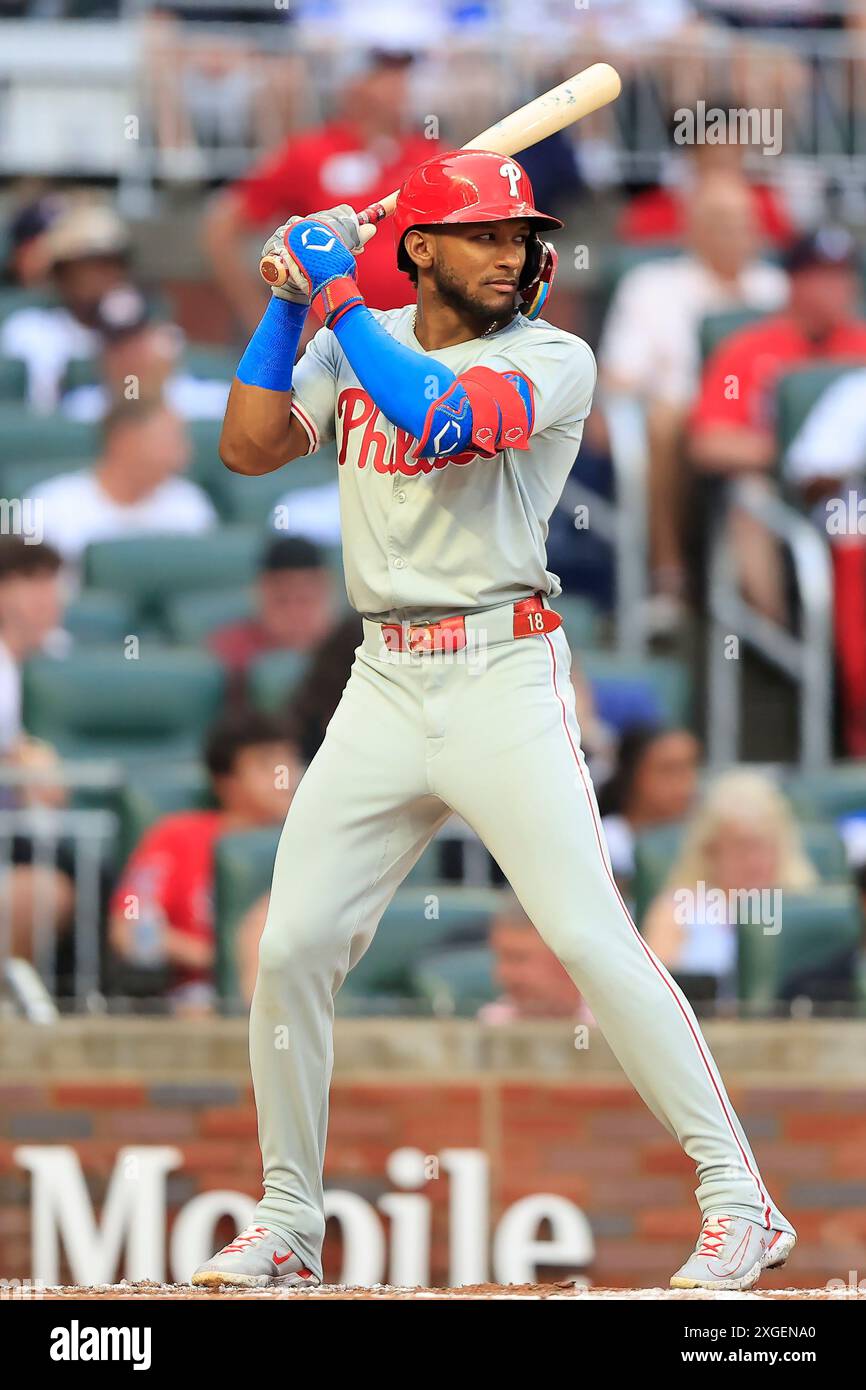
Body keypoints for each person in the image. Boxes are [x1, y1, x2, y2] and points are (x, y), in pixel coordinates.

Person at [191, 148, 796, 1295]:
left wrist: (332, 292)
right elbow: (247, 445)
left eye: (519, 235)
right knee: (292, 946)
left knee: (584, 936)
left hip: (498, 671)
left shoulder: (550, 355)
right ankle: (284, 1222)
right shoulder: (351, 334)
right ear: (417, 247)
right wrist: (285, 307)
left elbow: (433, 422)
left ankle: (739, 1199)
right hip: (379, 677)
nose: (510, 252)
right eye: (482, 233)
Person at [688, 226, 866, 747]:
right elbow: (708, 442)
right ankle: (784, 639)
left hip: (848, 501)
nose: (831, 290)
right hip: (779, 502)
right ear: (792, 282)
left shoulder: (860, 345)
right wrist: (787, 449)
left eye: (840, 278)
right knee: (751, 497)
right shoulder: (749, 350)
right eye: (818, 278)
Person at [600, 173, 787, 618]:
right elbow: (616, 379)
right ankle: (670, 578)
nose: (740, 233)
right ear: (694, 228)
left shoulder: (776, 287)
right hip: (683, 426)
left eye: (747, 221)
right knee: (667, 417)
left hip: (759, 424)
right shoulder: (652, 285)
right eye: (724, 221)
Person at [202, 49, 440, 332]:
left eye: (401, 74)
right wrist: (268, 322)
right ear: (352, 83)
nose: (397, 85)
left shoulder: (431, 155)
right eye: (383, 73)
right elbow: (222, 227)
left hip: (419, 337)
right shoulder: (310, 152)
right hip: (335, 342)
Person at [108, 710, 302, 1014]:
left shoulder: (313, 842)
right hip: (201, 993)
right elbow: (129, 929)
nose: (287, 776)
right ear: (227, 781)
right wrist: (217, 958)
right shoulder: (176, 838)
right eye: (268, 765)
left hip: (300, 990)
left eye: (291, 762)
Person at [641, 769, 817, 999]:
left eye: (764, 846)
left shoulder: (808, 907)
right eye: (742, 846)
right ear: (711, 851)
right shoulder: (677, 910)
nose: (755, 861)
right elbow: (652, 995)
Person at [26, 396, 216, 576]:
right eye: (170, 441)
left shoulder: (190, 504)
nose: (183, 455)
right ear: (125, 440)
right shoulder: (48, 506)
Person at [0, 201, 131, 411]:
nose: (103, 275)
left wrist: (127, 345)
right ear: (62, 273)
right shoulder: (29, 331)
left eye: (112, 263)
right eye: (89, 265)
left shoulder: (139, 335)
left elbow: (133, 400)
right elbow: (41, 411)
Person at [60, 285, 230, 423]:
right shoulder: (81, 411)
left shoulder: (215, 406)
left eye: (138, 343)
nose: (129, 358)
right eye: (118, 346)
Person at [208, 535, 336, 696]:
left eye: (305, 600)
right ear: (259, 596)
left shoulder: (354, 650)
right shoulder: (229, 653)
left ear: (328, 596)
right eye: (282, 601)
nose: (294, 614)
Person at [598, 725, 701, 890]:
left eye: (690, 767)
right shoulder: (606, 840)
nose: (685, 782)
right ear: (632, 775)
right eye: (669, 769)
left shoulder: (701, 839)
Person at [477, 892, 593, 1024]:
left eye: (517, 958)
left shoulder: (612, 1027)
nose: (503, 974)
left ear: (564, 957)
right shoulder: (494, 1024)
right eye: (499, 958)